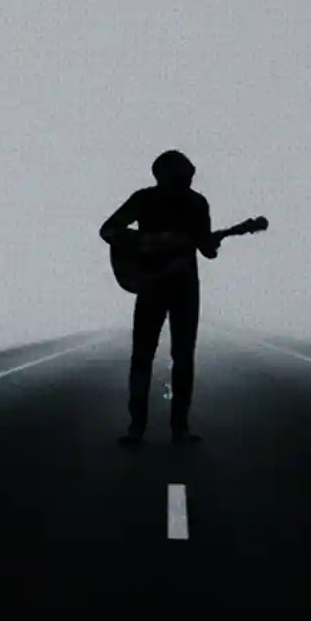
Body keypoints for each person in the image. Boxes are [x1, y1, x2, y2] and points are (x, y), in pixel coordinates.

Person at [100, 150, 219, 445]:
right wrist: (154, 242)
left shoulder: (196, 202)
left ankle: (162, 427)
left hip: (181, 287)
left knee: (174, 357)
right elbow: (109, 230)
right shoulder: (145, 199)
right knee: (152, 356)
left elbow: (207, 249)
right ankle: (147, 426)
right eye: (184, 174)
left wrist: (209, 240)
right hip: (156, 285)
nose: (189, 179)